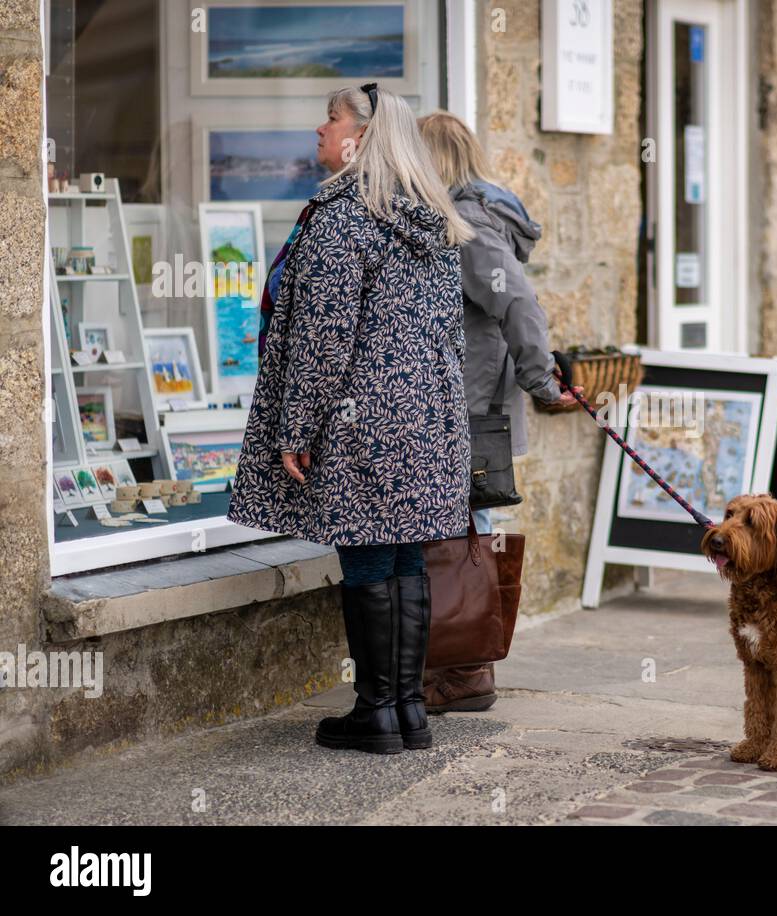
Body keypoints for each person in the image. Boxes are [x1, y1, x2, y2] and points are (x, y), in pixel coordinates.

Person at [228, 83, 475, 755]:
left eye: (331, 118)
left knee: (369, 552)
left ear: (359, 137)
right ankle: (407, 711)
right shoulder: (430, 220)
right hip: (422, 418)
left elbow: (322, 337)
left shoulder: (344, 218)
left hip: (360, 419)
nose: (319, 128)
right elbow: (452, 335)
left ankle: (377, 712)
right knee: (403, 556)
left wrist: (295, 429)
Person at [416, 109, 579, 712]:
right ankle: (457, 665)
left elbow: (519, 305)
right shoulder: (467, 217)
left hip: (471, 409)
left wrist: (541, 381)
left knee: (465, 539)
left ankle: (464, 672)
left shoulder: (467, 223)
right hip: (467, 404)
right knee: (465, 534)